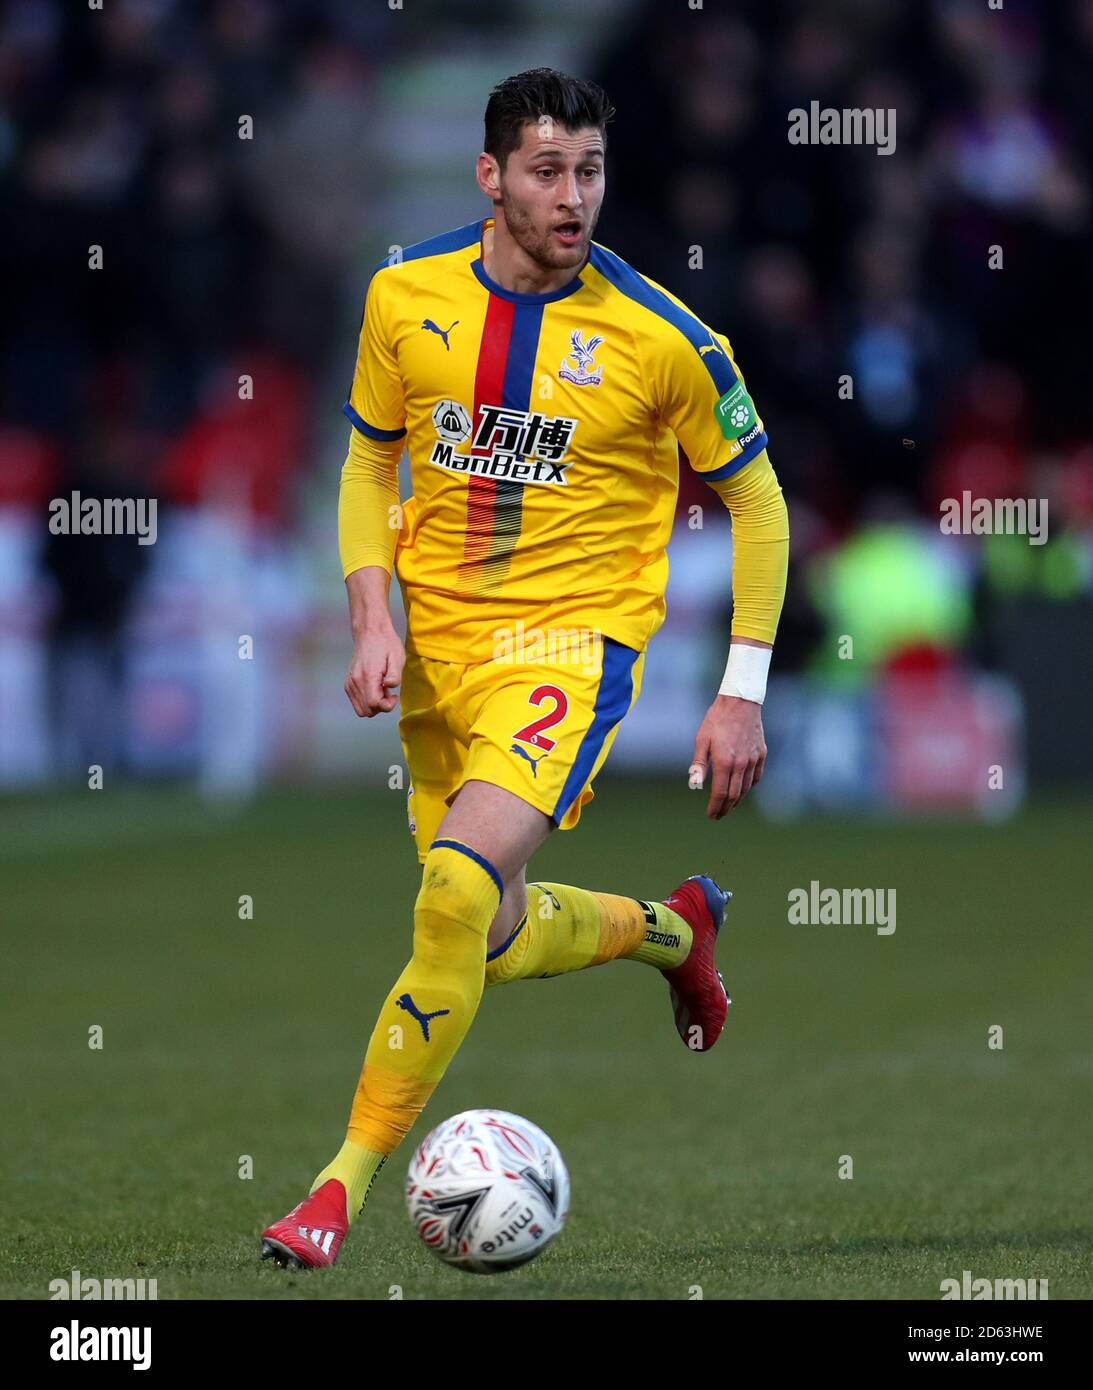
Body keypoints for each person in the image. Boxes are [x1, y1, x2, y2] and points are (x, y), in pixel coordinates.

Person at [260, 67, 789, 1269]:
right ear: (491, 175)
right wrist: (369, 614)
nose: (573, 196)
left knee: (447, 895)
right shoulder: (404, 295)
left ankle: (333, 1192)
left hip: (568, 650)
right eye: (547, 171)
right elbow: (363, 465)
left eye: (590, 170)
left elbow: (756, 503)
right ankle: (673, 929)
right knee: (485, 933)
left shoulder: (666, 339)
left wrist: (740, 687)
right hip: (437, 659)